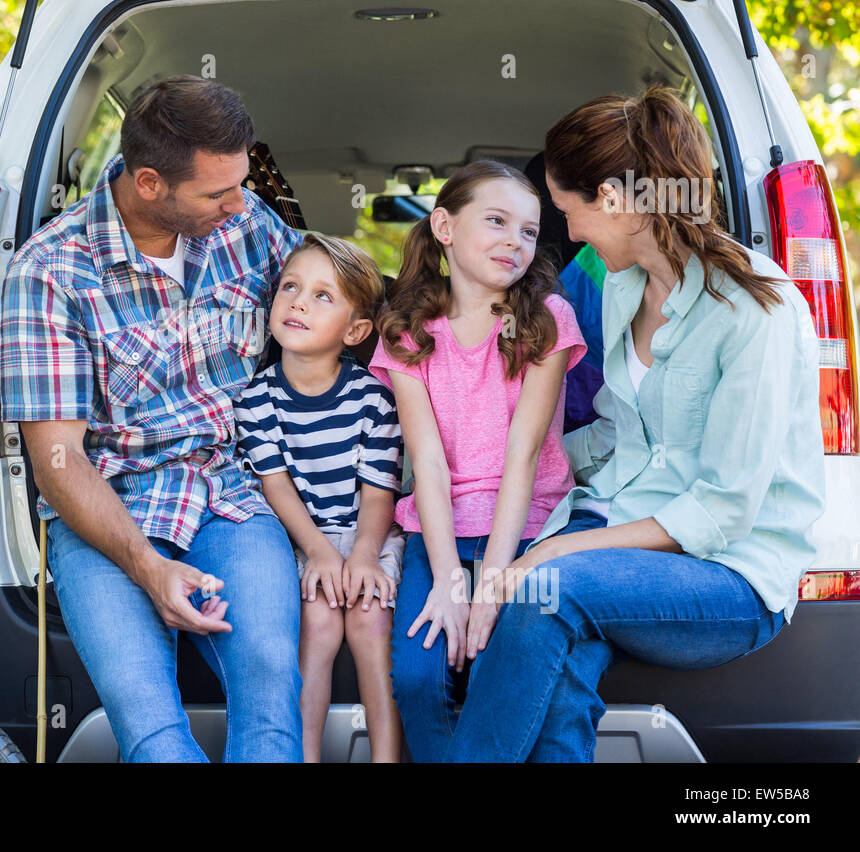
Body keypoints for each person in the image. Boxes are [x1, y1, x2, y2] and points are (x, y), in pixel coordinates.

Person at [445, 85, 826, 762]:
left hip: (728, 573)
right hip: (619, 527)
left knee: (544, 593)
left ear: (616, 202)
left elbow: (723, 509)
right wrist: (504, 467)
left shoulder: (755, 309)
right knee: (558, 673)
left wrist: (560, 550)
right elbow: (618, 438)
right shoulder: (622, 287)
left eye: (571, 213)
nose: (572, 234)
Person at [0, 76, 305, 762]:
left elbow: (336, 301)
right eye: (216, 193)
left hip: (230, 494)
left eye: (240, 184)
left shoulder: (247, 222)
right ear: (148, 184)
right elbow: (60, 461)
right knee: (155, 739)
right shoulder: (49, 272)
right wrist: (146, 567)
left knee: (271, 689)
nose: (238, 203)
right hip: (110, 505)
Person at [366, 159, 587, 762]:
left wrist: (488, 585)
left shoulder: (545, 321)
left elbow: (522, 460)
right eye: (495, 221)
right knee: (415, 675)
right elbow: (428, 464)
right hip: (437, 528)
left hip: (528, 526)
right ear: (443, 226)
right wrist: (446, 580)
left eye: (527, 231)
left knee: (499, 673)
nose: (513, 241)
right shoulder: (407, 332)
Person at [233, 234, 405, 762]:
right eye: (290, 287)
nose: (299, 302)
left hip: (367, 535)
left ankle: (386, 756)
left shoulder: (373, 397)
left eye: (323, 296)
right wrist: (321, 552)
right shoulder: (255, 398)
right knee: (320, 624)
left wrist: (362, 555)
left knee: (371, 625)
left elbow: (378, 492)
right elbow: (276, 485)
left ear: (355, 331)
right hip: (303, 538)